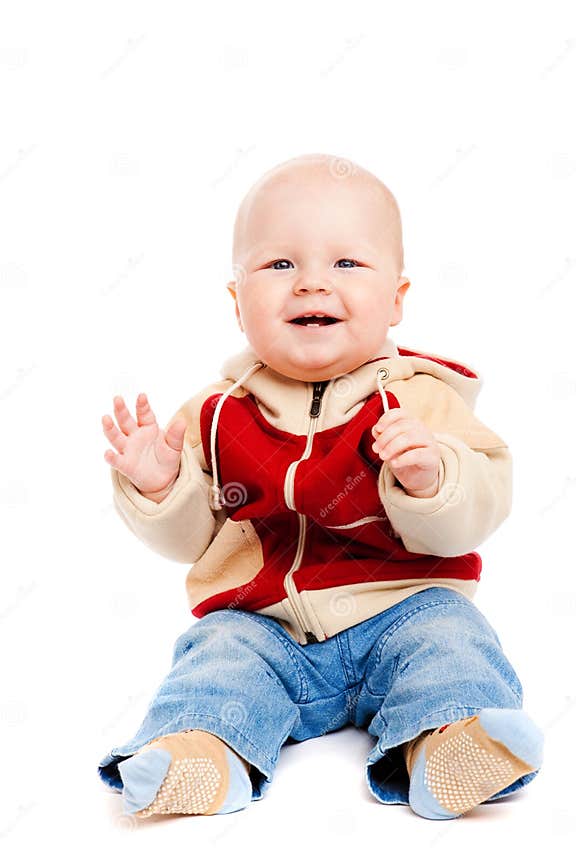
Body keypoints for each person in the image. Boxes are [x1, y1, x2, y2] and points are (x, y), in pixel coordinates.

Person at [97, 153, 544, 821]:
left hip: (402, 609)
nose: (311, 285)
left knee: (452, 639)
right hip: (263, 626)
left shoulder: (418, 400)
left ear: (396, 298)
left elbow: (480, 507)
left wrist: (433, 476)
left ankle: (449, 743)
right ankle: (200, 754)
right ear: (236, 300)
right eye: (280, 265)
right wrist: (164, 488)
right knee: (215, 655)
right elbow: (192, 543)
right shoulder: (215, 415)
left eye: (347, 264)